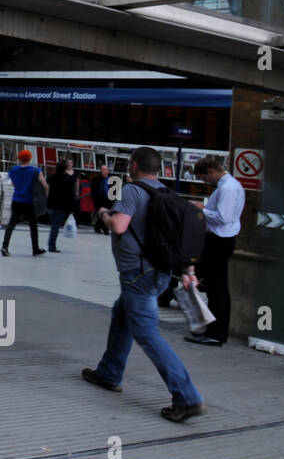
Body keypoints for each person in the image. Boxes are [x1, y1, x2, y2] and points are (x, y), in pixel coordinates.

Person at [83, 147, 204, 422]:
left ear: (134, 166)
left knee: (147, 332)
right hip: (159, 272)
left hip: (137, 274)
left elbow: (119, 226)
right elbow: (181, 236)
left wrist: (103, 213)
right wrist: (188, 269)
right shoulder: (168, 194)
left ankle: (187, 397)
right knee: (121, 314)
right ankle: (109, 372)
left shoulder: (132, 191)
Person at [185, 156, 244, 346]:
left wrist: (202, 209)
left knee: (216, 288)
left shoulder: (227, 188)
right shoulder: (231, 185)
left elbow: (223, 217)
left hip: (219, 239)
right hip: (222, 239)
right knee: (215, 287)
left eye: (204, 178)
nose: (204, 182)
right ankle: (213, 330)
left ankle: (216, 334)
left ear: (211, 171)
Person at [1, 149, 47, 256]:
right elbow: (45, 185)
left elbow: (12, 184)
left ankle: (5, 246)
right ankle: (35, 249)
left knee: (11, 224)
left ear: (19, 159)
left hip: (16, 200)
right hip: (29, 202)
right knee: (33, 226)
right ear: (30, 158)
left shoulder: (13, 170)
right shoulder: (36, 171)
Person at [46, 157, 79, 252]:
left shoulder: (51, 177)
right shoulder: (67, 180)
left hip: (51, 205)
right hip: (61, 207)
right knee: (55, 226)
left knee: (54, 225)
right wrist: (72, 207)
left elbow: (46, 187)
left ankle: (50, 244)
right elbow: (71, 195)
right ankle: (51, 246)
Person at [90, 164, 116, 234]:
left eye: (104, 169)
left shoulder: (112, 180)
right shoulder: (96, 179)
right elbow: (93, 190)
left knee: (105, 213)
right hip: (99, 199)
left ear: (108, 171)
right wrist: (94, 199)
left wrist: (113, 200)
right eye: (101, 169)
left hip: (108, 200)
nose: (102, 171)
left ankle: (104, 229)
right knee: (100, 214)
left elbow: (115, 191)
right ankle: (100, 228)